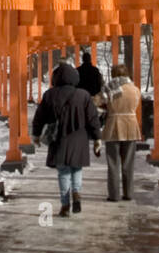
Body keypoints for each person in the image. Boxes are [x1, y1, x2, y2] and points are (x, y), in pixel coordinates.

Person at [32, 61, 101, 216]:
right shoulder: (83, 95)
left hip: (59, 139)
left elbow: (39, 117)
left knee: (63, 171)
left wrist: (36, 134)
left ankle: (65, 205)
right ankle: (76, 192)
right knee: (77, 168)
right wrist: (97, 138)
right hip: (79, 138)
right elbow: (93, 118)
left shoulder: (49, 94)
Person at [100, 63, 141, 202]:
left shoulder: (110, 88)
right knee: (128, 162)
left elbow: (98, 102)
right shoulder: (135, 89)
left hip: (113, 125)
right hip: (131, 125)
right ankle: (128, 193)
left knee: (113, 163)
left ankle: (114, 195)